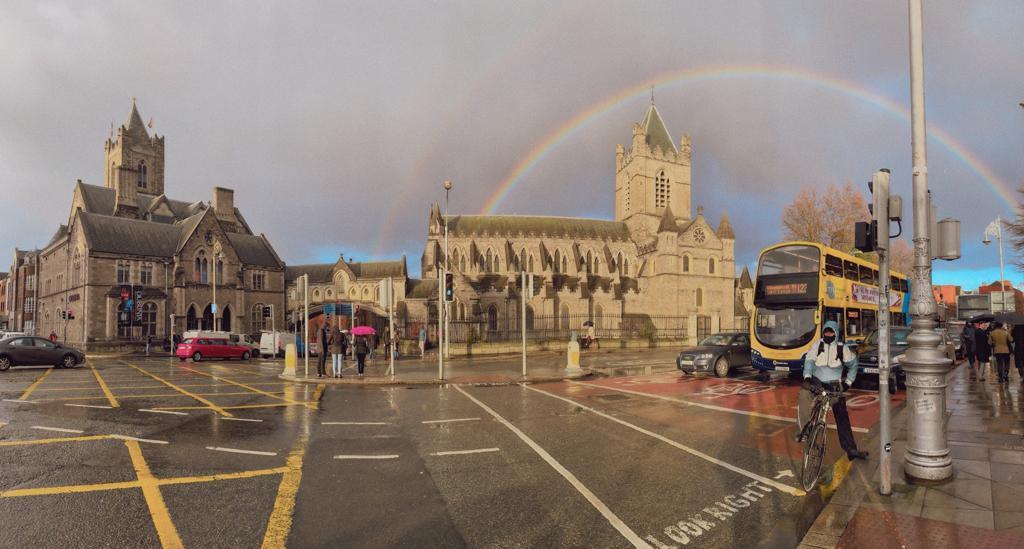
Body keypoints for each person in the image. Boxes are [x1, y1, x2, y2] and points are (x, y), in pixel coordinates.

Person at [795, 321, 868, 461]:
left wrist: (848, 383)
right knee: (803, 395)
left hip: (834, 386)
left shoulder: (842, 348)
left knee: (842, 415)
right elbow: (809, 362)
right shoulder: (817, 345)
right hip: (816, 383)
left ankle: (851, 449)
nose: (828, 334)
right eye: (826, 332)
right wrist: (807, 377)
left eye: (831, 332)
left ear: (836, 333)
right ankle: (804, 431)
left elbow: (853, 365)